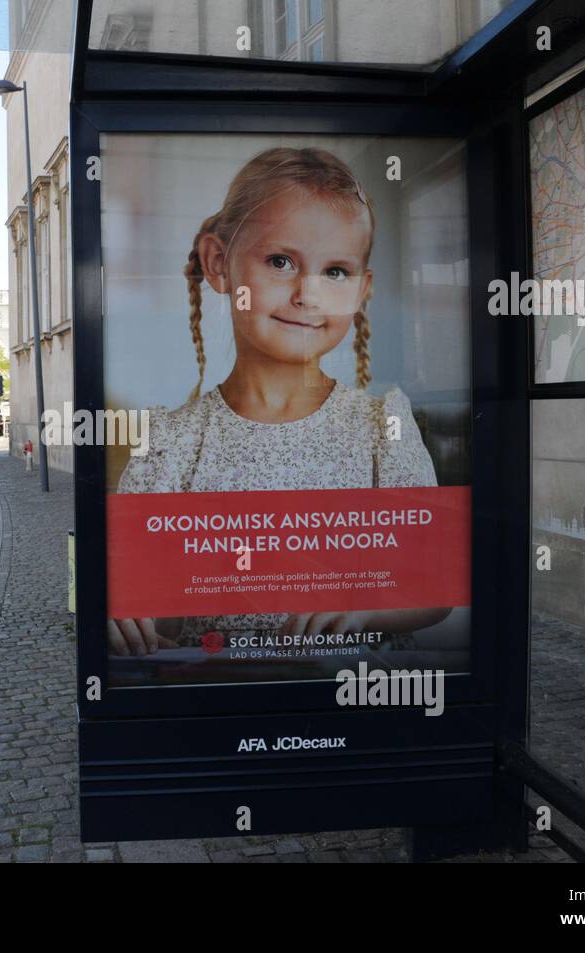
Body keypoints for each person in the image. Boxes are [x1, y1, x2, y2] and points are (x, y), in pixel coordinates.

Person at [108, 145, 449, 656]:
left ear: (361, 290)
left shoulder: (382, 427)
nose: (308, 294)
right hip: (221, 711)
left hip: (359, 709)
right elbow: (135, 592)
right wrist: (115, 612)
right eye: (281, 261)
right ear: (219, 264)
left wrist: (365, 608)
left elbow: (434, 583)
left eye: (335, 271)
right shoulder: (169, 442)